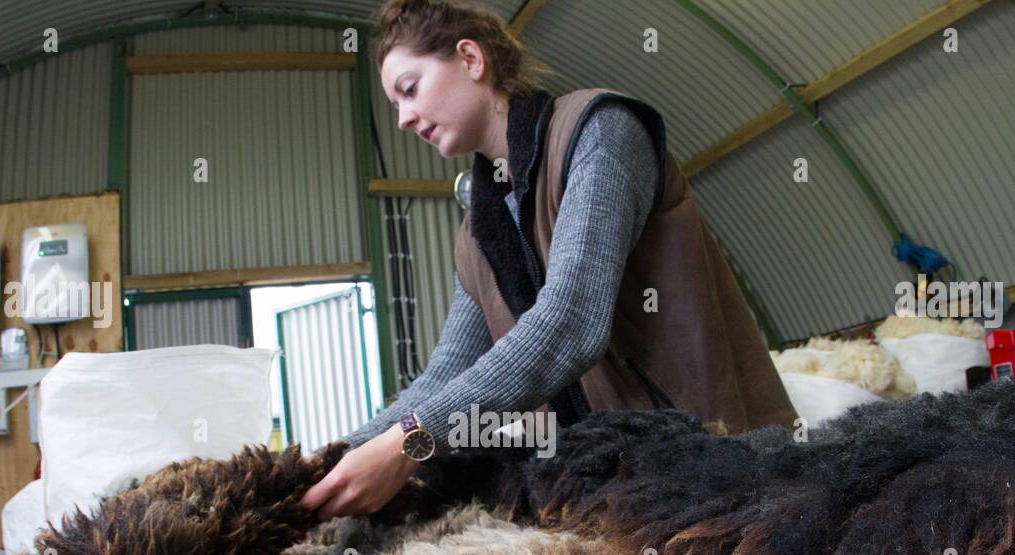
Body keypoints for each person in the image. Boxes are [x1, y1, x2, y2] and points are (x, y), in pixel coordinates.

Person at [301, 0, 795, 521]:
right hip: (609, 485)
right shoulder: (478, 234)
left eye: (409, 88)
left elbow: (571, 321)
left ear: (470, 59)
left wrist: (409, 442)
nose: (402, 118)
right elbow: (444, 375)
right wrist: (323, 464)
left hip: (716, 470)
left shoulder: (599, 133)